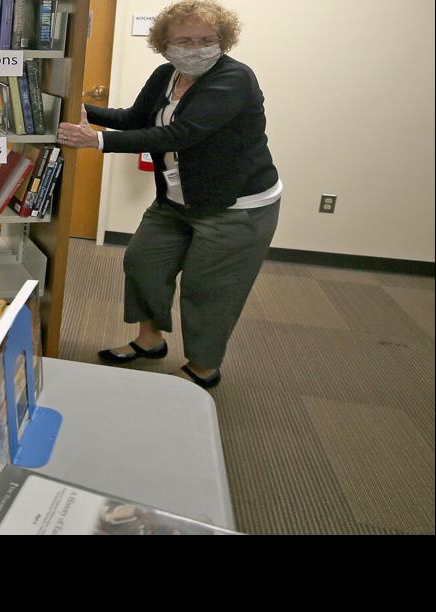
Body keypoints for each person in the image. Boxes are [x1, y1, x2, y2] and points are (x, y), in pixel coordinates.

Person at [55, 0, 281, 390]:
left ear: (223, 40)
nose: (196, 48)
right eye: (185, 40)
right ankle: (150, 341)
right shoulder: (167, 75)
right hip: (176, 199)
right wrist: (79, 108)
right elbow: (135, 118)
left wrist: (97, 141)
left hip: (234, 207)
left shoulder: (234, 78)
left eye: (207, 40)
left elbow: (180, 135)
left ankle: (203, 366)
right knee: (143, 261)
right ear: (165, 44)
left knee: (208, 288)